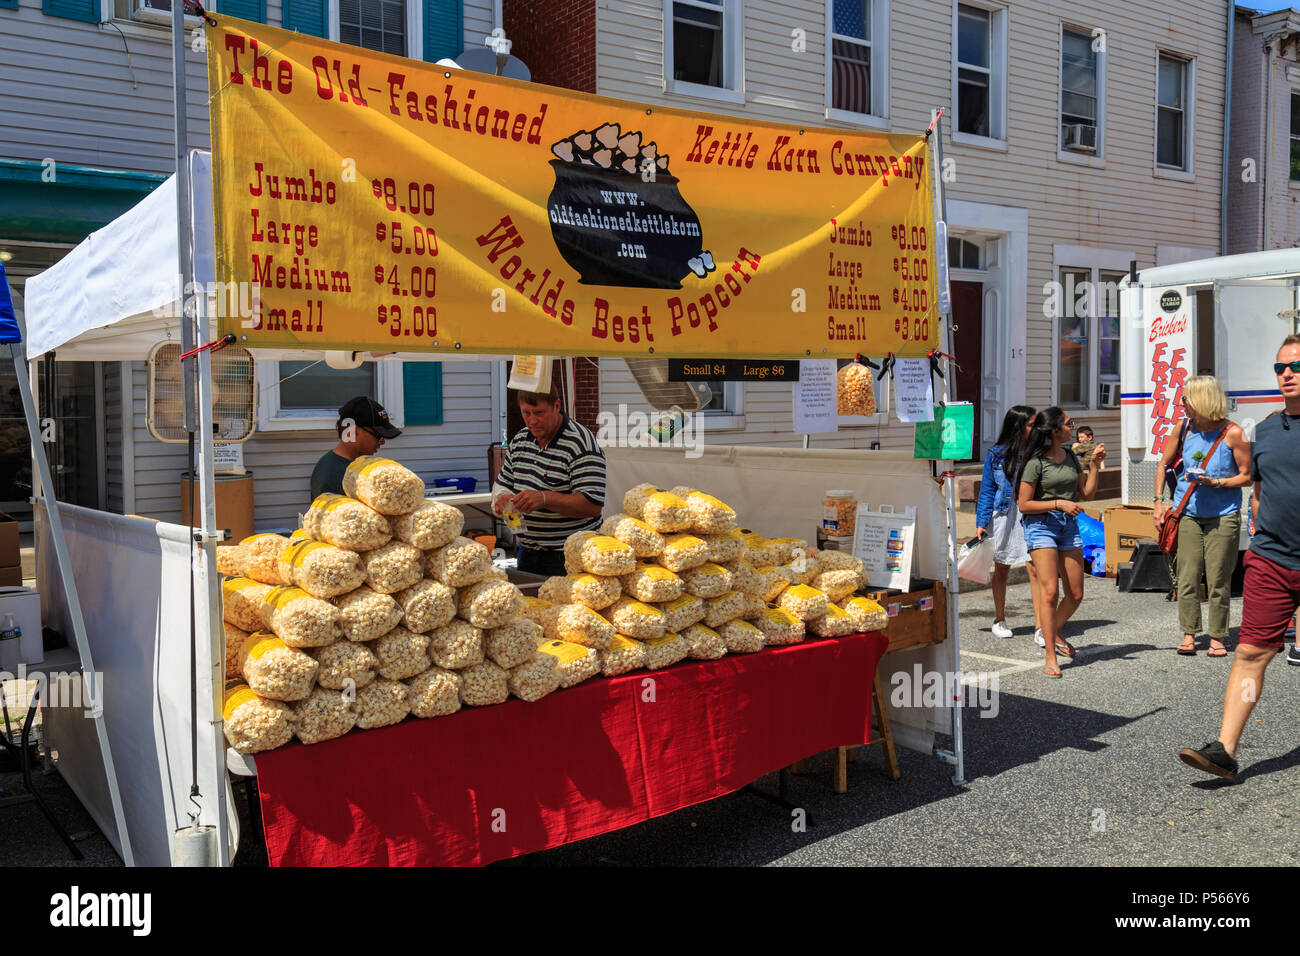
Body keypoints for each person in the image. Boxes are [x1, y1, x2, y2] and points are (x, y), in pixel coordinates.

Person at [1179, 336, 1300, 782]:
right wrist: (1258, 519)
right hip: (1272, 558)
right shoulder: (1265, 430)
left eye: (1296, 366)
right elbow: (1260, 487)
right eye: (1280, 367)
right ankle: (1225, 751)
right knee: (1250, 652)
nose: (1287, 373)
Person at [1152, 377, 1250, 657]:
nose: (1182, 404)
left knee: (1219, 577)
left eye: (1186, 399)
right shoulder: (1182, 428)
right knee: (1187, 576)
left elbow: (1247, 475)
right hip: (1189, 514)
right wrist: (1158, 503)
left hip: (1223, 515)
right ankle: (1189, 633)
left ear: (1203, 400)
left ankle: (1218, 635)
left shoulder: (1233, 433)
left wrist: (1217, 483)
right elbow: (1163, 465)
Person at [1016, 407, 1106, 677]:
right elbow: (1024, 504)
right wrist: (1058, 503)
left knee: (1076, 594)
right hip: (1041, 526)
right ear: (1055, 431)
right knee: (1050, 593)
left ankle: (1051, 632)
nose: (1073, 428)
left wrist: (1093, 465)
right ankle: (1050, 657)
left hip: (1068, 527)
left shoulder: (1070, 457)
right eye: (1069, 424)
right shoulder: (1035, 462)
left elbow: (1087, 494)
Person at [493, 386, 605, 576]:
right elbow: (504, 482)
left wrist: (545, 499)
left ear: (557, 406)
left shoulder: (581, 444)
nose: (532, 420)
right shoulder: (520, 440)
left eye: (539, 413)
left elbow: (592, 505)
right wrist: (501, 496)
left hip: (572, 556)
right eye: (526, 413)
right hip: (528, 553)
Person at [974, 405, 1042, 640]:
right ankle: (999, 618)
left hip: (1030, 514)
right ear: (1018, 426)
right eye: (1031, 424)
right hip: (1003, 514)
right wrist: (981, 521)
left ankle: (1040, 626)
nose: (1036, 429)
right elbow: (987, 489)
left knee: (1035, 567)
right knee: (1002, 568)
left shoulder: (1038, 452)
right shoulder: (997, 454)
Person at [310, 395, 402, 501]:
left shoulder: (353, 465)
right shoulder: (335, 475)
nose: (382, 441)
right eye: (378, 435)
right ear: (353, 432)